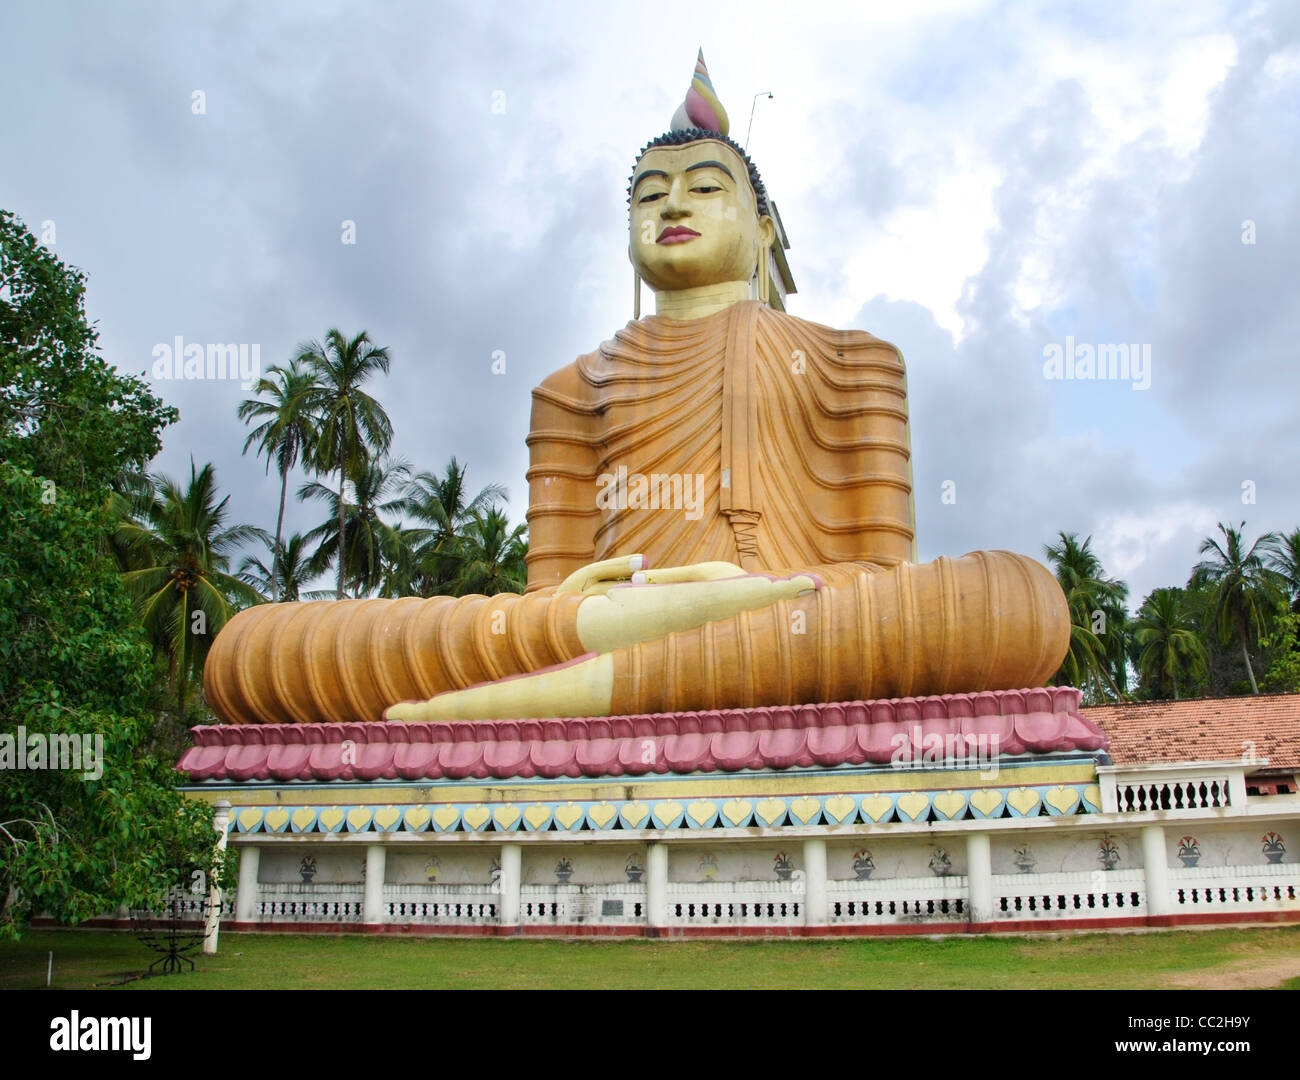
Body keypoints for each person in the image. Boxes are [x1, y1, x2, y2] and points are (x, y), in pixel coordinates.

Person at [204, 53, 1068, 726]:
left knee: (1013, 604)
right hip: (607, 622)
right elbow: (546, 602)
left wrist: (758, 598)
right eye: (649, 195)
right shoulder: (569, 387)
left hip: (806, 624)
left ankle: (606, 679)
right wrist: (615, 609)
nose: (671, 205)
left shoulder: (855, 359)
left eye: (704, 187)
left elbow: (884, 583)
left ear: (762, 226)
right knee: (256, 649)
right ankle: (647, 657)